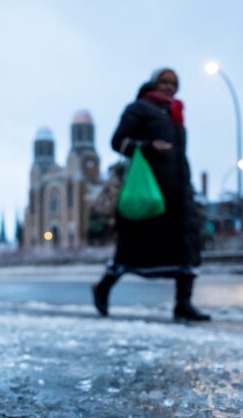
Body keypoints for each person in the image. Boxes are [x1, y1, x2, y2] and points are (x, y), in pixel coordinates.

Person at [92, 68, 210, 321]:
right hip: (149, 189)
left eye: (174, 83)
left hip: (178, 188)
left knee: (186, 244)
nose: (169, 87)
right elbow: (117, 142)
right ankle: (103, 286)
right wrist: (147, 147)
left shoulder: (175, 112)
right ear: (154, 83)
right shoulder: (139, 108)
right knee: (134, 245)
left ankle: (183, 303)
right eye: (164, 82)